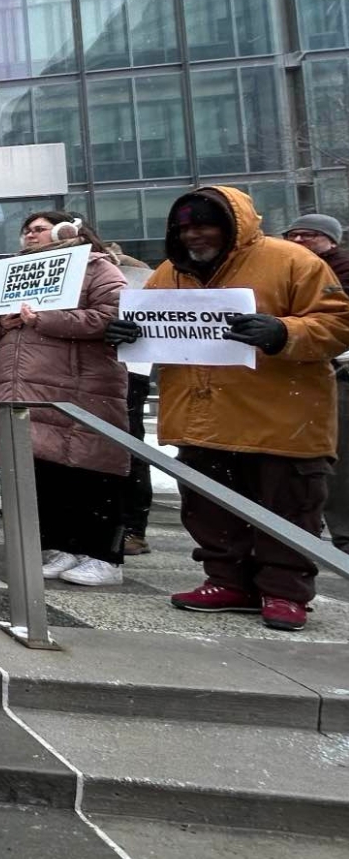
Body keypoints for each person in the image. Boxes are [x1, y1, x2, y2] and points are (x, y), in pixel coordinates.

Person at [106, 188, 349, 630]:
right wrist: (126, 332)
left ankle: (285, 590)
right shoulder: (168, 273)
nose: (193, 236)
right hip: (202, 416)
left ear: (232, 226)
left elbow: (337, 323)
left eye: (203, 225)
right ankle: (227, 579)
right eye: (184, 229)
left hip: (281, 419)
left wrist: (283, 331)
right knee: (207, 507)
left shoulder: (293, 261)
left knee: (288, 505)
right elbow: (151, 325)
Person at [0, 212, 131, 586]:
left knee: (89, 469)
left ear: (66, 230)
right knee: (43, 471)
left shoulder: (97, 267)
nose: (30, 235)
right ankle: (61, 547)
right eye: (26, 230)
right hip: (24, 385)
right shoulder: (14, 271)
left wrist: (42, 320)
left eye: (39, 229)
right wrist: (3, 323)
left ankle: (102, 556)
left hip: (79, 385)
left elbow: (112, 316)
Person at [281, 214, 349, 554]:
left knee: (337, 456)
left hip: (337, 371)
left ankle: (343, 533)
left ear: (331, 241)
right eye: (292, 235)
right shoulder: (286, 271)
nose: (298, 241)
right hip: (294, 372)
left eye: (308, 236)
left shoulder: (340, 274)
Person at [104, 242, 157, 556]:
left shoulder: (124, 271)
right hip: (80, 374)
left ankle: (132, 528)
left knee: (127, 449)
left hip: (126, 371)